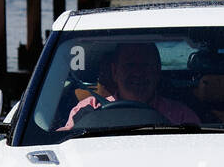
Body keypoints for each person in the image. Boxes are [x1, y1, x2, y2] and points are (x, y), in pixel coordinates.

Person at [60, 42, 200, 131]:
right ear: (115, 72)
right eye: (130, 65)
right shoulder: (87, 110)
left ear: (157, 71)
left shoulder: (181, 116)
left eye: (145, 65)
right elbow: (62, 144)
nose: (138, 73)